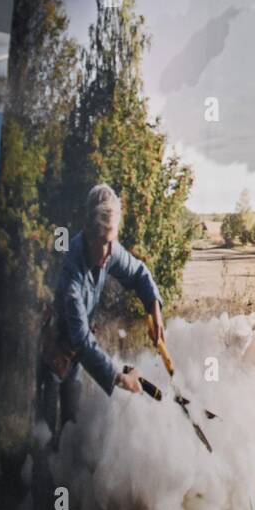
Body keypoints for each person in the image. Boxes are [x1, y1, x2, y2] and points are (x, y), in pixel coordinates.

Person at [34, 183, 165, 447]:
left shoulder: (108, 248)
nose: (108, 253)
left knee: (71, 427)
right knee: (44, 435)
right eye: (103, 243)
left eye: (112, 241)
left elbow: (139, 273)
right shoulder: (71, 274)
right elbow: (82, 339)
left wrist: (154, 308)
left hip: (77, 355)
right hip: (54, 352)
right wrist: (120, 378)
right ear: (88, 232)